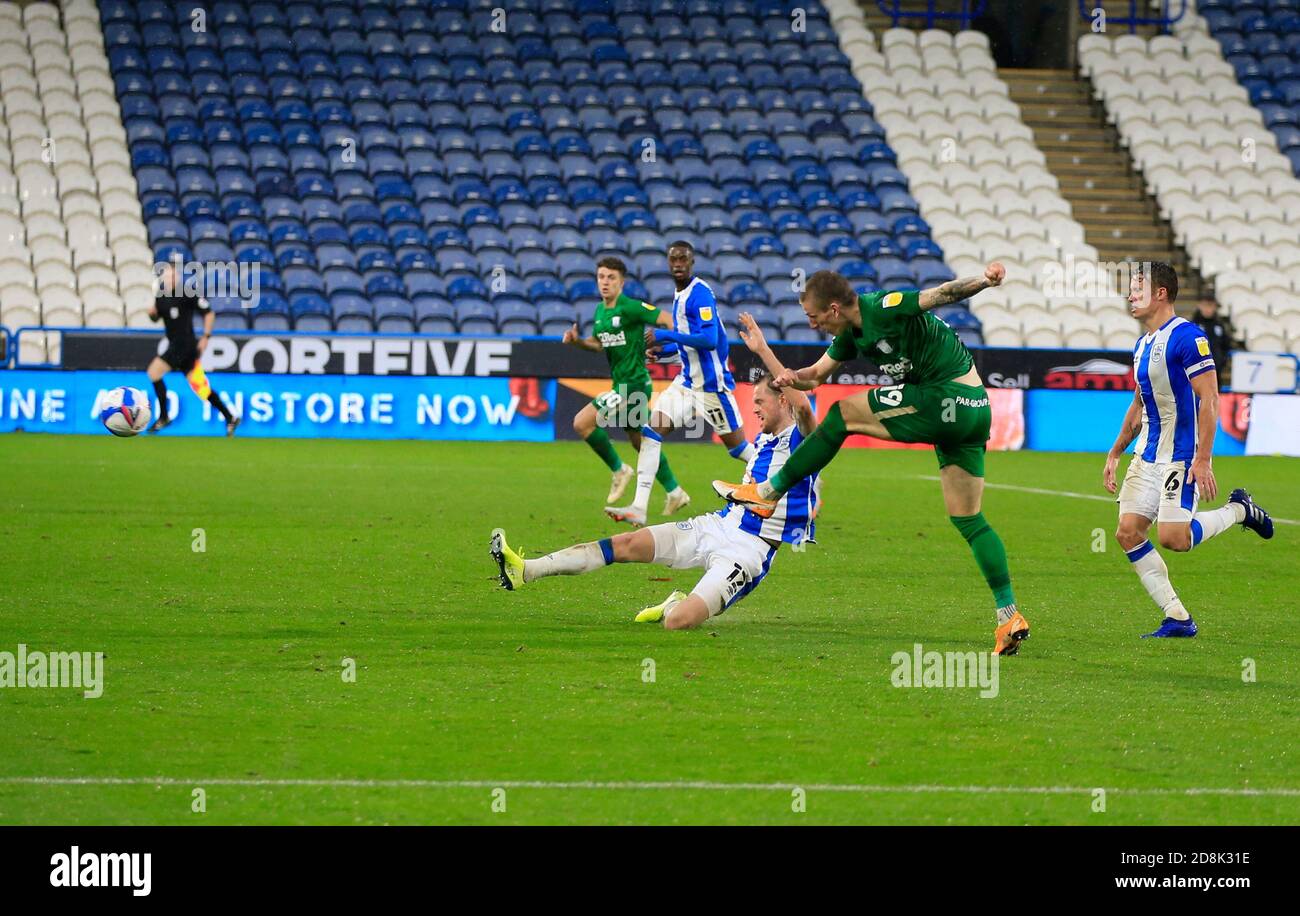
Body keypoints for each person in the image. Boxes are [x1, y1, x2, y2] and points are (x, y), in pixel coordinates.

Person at [714, 264, 1031, 656]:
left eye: (813, 317)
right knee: (968, 518)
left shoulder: (885, 305)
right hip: (975, 412)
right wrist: (789, 375)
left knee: (842, 415)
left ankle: (768, 491)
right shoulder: (849, 335)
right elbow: (814, 377)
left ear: (832, 309)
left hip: (945, 397)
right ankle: (1009, 615)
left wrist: (985, 280)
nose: (812, 326)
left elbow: (944, 293)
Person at [490, 367, 819, 630]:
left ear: (784, 401)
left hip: (748, 552)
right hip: (718, 525)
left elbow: (804, 408)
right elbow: (805, 496)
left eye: (760, 401)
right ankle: (527, 569)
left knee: (678, 623)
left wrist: (763, 350)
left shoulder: (801, 439)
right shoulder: (763, 444)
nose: (754, 408)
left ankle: (674, 603)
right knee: (626, 544)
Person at [1103, 263, 1273, 638]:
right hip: (1146, 454)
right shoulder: (1142, 345)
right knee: (1128, 533)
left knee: (1174, 538)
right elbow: (1138, 405)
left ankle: (1238, 510)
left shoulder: (1188, 337)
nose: (1130, 295)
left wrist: (1203, 459)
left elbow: (1210, 397)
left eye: (1137, 288)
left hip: (1180, 455)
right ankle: (1177, 617)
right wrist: (1116, 451)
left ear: (1160, 293)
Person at [605, 240, 753, 527]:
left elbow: (709, 340)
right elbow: (691, 342)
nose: (678, 264)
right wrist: (665, 352)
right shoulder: (679, 294)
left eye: (683, 259)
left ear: (692, 261)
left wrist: (666, 337)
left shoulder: (699, 294)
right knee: (650, 432)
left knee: (738, 450)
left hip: (711, 386)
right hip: (685, 383)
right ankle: (639, 506)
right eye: (673, 259)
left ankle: (795, 478)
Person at [562, 257, 689, 515]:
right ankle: (675, 491)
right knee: (642, 443)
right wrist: (577, 342)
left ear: (621, 282)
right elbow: (598, 344)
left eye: (611, 278)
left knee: (582, 422)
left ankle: (620, 470)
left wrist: (667, 344)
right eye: (601, 277)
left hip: (633, 386)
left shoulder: (631, 308)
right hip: (624, 384)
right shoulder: (600, 312)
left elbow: (667, 319)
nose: (605, 282)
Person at [147, 262, 239, 435]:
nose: (170, 279)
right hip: (177, 346)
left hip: (185, 345)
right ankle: (230, 417)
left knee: (154, 372)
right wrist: (152, 314)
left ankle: (164, 417)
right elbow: (156, 317)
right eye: (167, 276)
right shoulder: (161, 297)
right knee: (201, 388)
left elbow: (209, 313)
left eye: (173, 276)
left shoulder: (187, 293)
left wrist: (206, 337)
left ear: (179, 277)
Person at [1190, 297, 1241, 390]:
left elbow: (1226, 344)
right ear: (1200, 306)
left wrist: (1222, 361)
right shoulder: (1193, 325)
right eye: (1206, 305)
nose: (1208, 309)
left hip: (1216, 370)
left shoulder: (1220, 325)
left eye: (1211, 306)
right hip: (1196, 370)